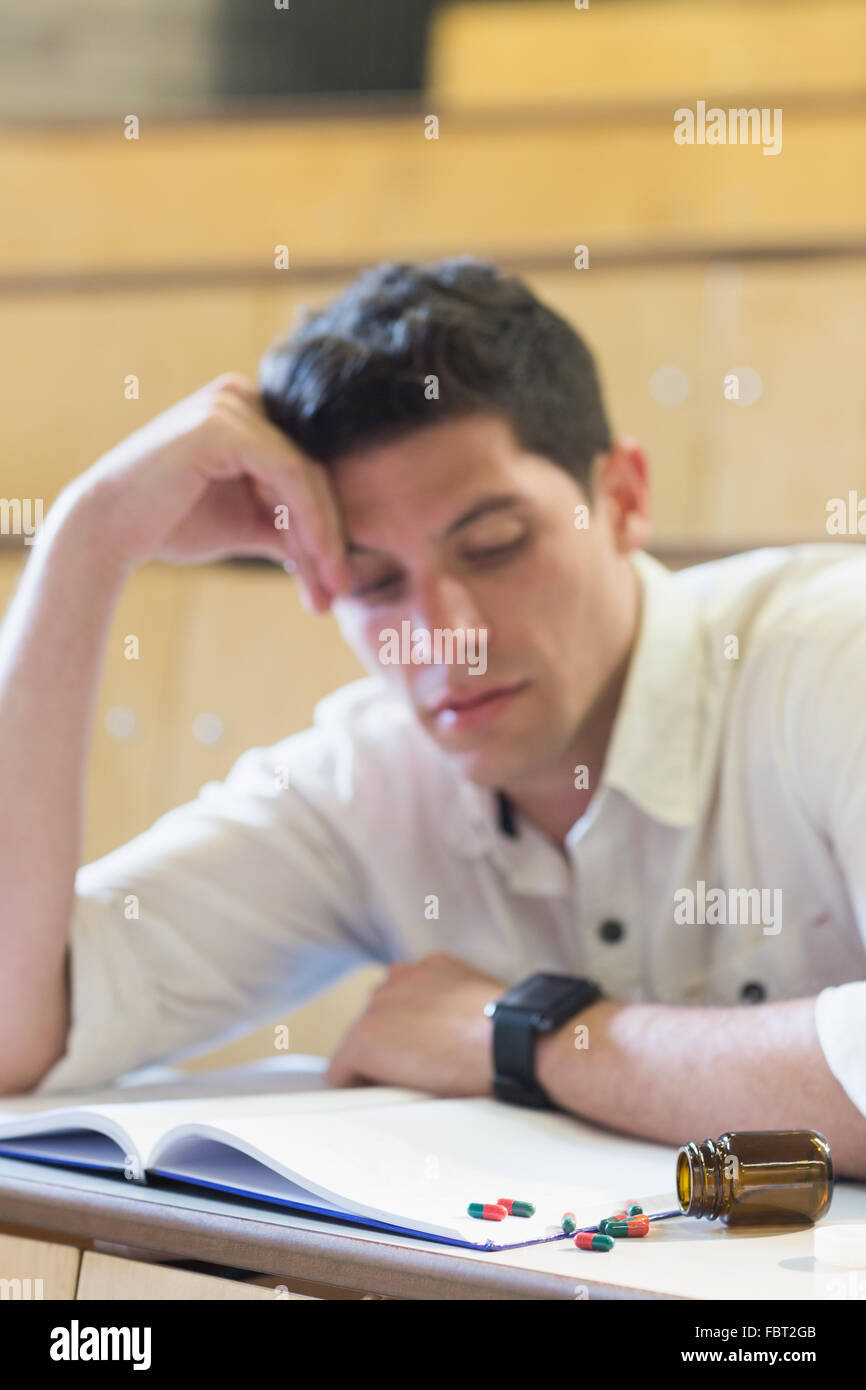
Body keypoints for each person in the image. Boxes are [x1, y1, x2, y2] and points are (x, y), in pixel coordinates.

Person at [1, 258, 865, 1176]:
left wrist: (528, 1039)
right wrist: (87, 544)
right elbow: (14, 1033)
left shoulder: (830, 659)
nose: (447, 638)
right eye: (374, 582)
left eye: (495, 546)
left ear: (621, 499)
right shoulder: (363, 786)